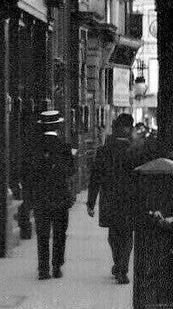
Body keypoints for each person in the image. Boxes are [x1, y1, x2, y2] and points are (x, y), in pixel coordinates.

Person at [86, 113, 141, 285]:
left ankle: (118, 264)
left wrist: (91, 202)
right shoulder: (136, 150)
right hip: (130, 199)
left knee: (113, 234)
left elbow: (95, 176)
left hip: (110, 198)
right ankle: (122, 268)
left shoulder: (104, 150)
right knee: (127, 234)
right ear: (130, 129)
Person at [23, 110, 76, 280]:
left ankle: (43, 268)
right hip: (60, 197)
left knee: (43, 234)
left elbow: (28, 174)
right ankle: (56, 266)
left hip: (41, 198)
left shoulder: (34, 147)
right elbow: (71, 171)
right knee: (60, 233)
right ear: (58, 125)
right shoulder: (65, 147)